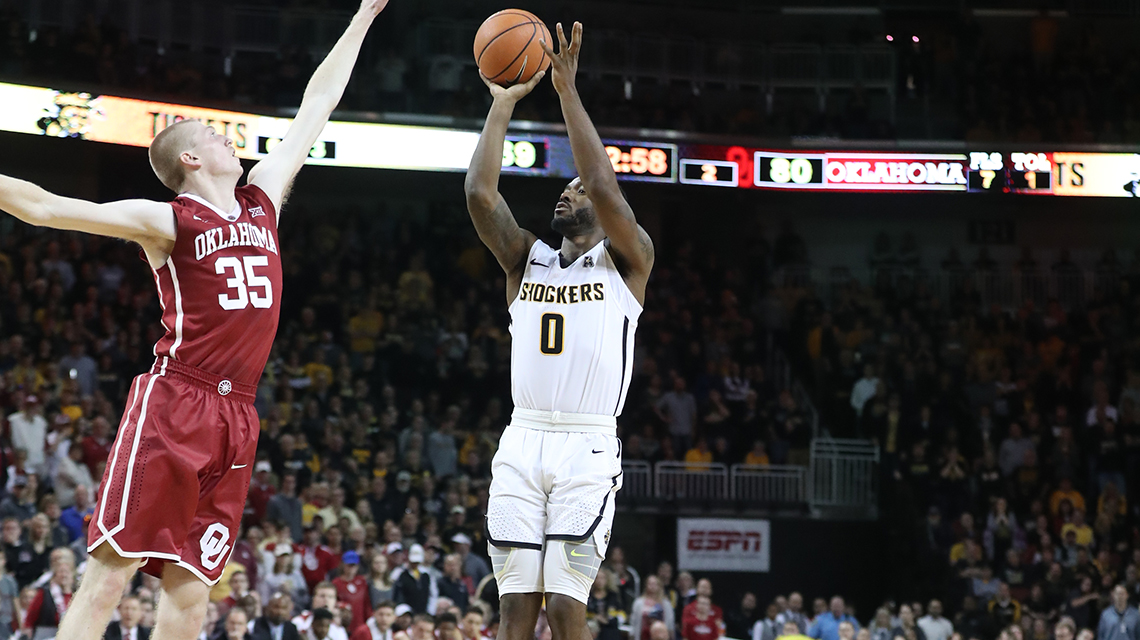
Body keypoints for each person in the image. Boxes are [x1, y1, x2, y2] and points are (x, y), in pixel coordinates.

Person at [0, 3, 393, 640]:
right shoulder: (168, 221)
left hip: (239, 417)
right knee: (109, 577)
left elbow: (316, 104)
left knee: (192, 594)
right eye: (211, 134)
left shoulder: (263, 198)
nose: (225, 136)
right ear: (190, 160)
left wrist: (363, 16)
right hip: (175, 403)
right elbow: (45, 207)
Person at [464, 19, 655, 640]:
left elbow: (602, 181)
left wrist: (567, 90)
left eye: (577, 190)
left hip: (588, 450)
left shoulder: (630, 262)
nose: (569, 193)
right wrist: (501, 105)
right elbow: (479, 192)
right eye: (566, 187)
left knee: (567, 607)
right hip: (522, 442)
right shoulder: (527, 259)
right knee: (516, 611)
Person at [22, 547, 76, 639]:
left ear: (72, 574)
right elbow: (29, 621)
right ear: (55, 574)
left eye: (67, 572)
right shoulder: (45, 593)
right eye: (61, 572)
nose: (64, 575)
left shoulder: (77, 595)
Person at [334, 551, 373, 631]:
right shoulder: (336, 583)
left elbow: (366, 603)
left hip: (360, 624)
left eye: (353, 565)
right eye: (349, 565)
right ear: (343, 565)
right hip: (344, 624)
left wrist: (369, 620)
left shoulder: (362, 582)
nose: (351, 568)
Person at [630, 575, 675, 640]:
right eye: (650, 584)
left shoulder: (666, 604)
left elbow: (670, 623)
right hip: (644, 635)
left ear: (659, 586)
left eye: (654, 584)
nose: (652, 586)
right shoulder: (638, 603)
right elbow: (633, 621)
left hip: (660, 636)